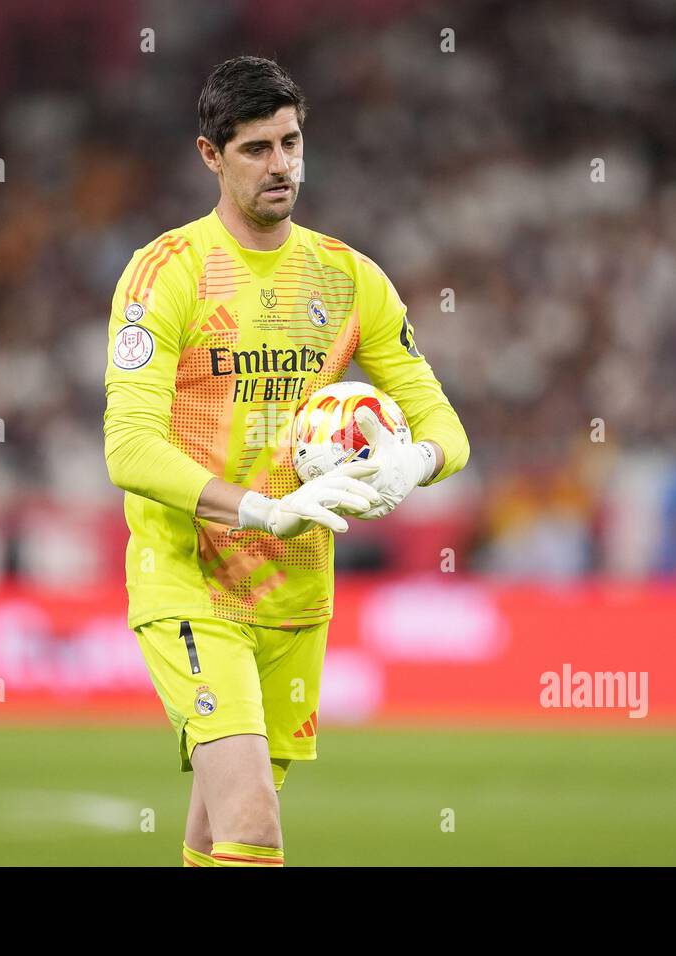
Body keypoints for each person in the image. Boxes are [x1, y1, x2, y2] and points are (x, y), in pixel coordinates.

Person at [103, 55, 469, 867]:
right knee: (254, 821)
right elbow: (127, 447)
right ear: (210, 156)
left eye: (292, 143)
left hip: (297, 590)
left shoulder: (348, 280)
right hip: (190, 576)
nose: (282, 166)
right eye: (257, 149)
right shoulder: (168, 273)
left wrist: (415, 463)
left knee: (215, 834)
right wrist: (258, 507)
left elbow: (445, 422)